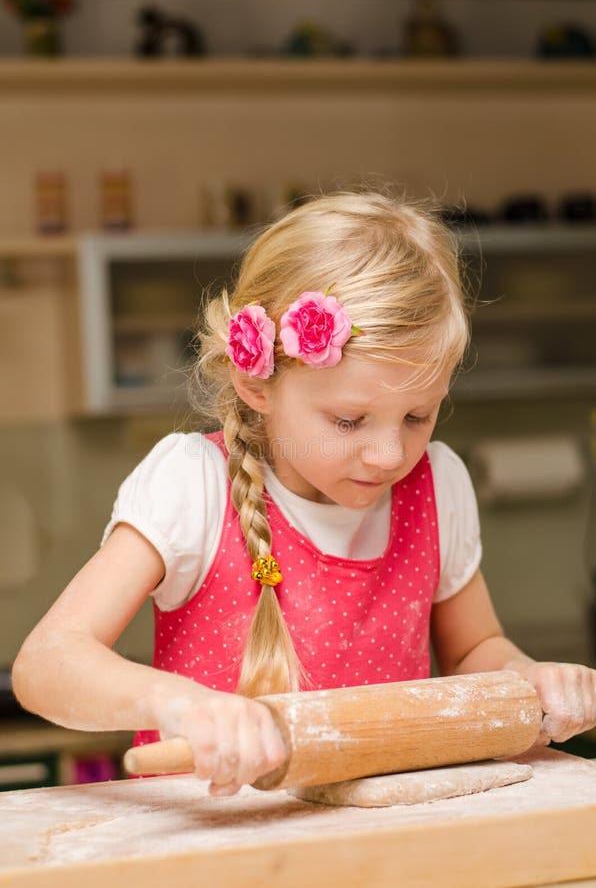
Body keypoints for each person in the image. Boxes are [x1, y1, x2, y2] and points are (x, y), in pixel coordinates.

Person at [12, 191, 596, 797]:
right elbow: (48, 663)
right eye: (349, 421)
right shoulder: (195, 486)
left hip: (385, 838)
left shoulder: (437, 484)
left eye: (419, 416)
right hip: (222, 849)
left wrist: (528, 677)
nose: (389, 455)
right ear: (256, 382)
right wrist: (182, 706)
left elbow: (474, 647)